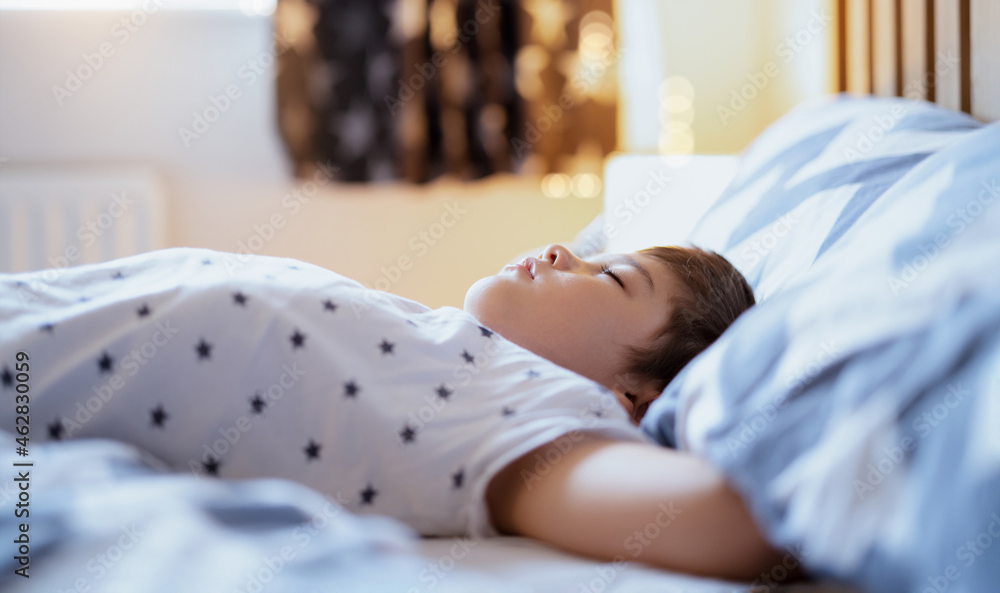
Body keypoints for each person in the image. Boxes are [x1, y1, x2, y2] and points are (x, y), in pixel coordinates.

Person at [0, 242, 776, 580]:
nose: (562, 250)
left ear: (633, 400)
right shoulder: (454, 345)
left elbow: (725, 523)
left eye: (611, 279)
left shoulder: (547, 408)